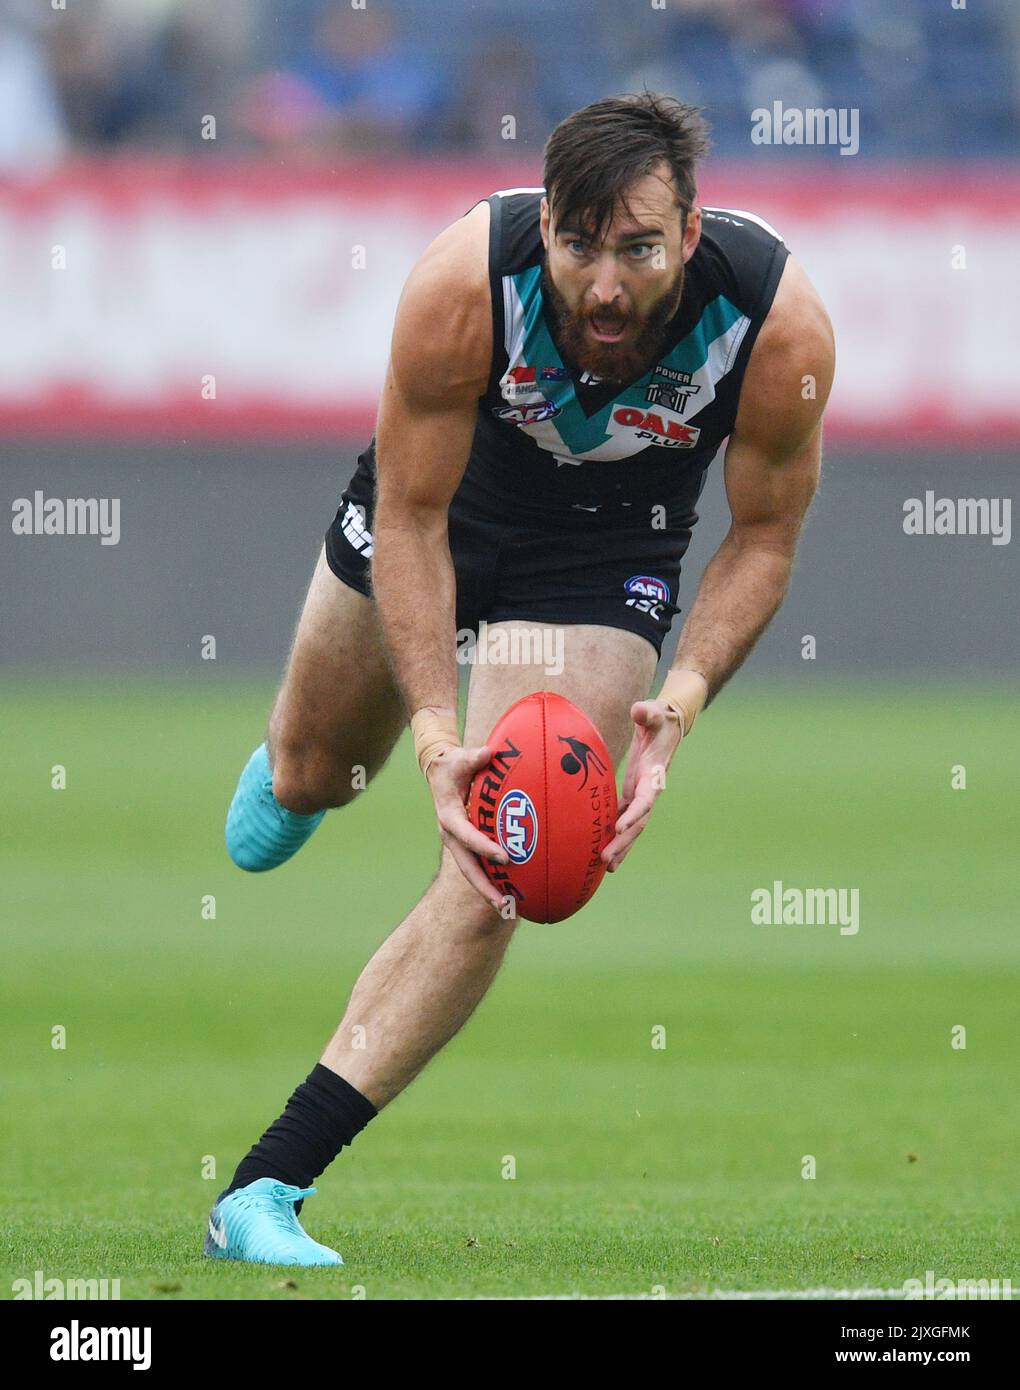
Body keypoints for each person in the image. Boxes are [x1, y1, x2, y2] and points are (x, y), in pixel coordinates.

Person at [205, 92, 834, 1266]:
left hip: (605, 553)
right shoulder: (461, 283)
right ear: (543, 224)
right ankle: (301, 778)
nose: (604, 286)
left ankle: (262, 1188)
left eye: (639, 249)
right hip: (452, 504)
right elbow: (411, 515)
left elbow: (762, 541)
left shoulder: (776, 322)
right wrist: (439, 739)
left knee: (509, 855)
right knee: (317, 769)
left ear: (690, 236)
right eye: (579, 247)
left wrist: (678, 707)